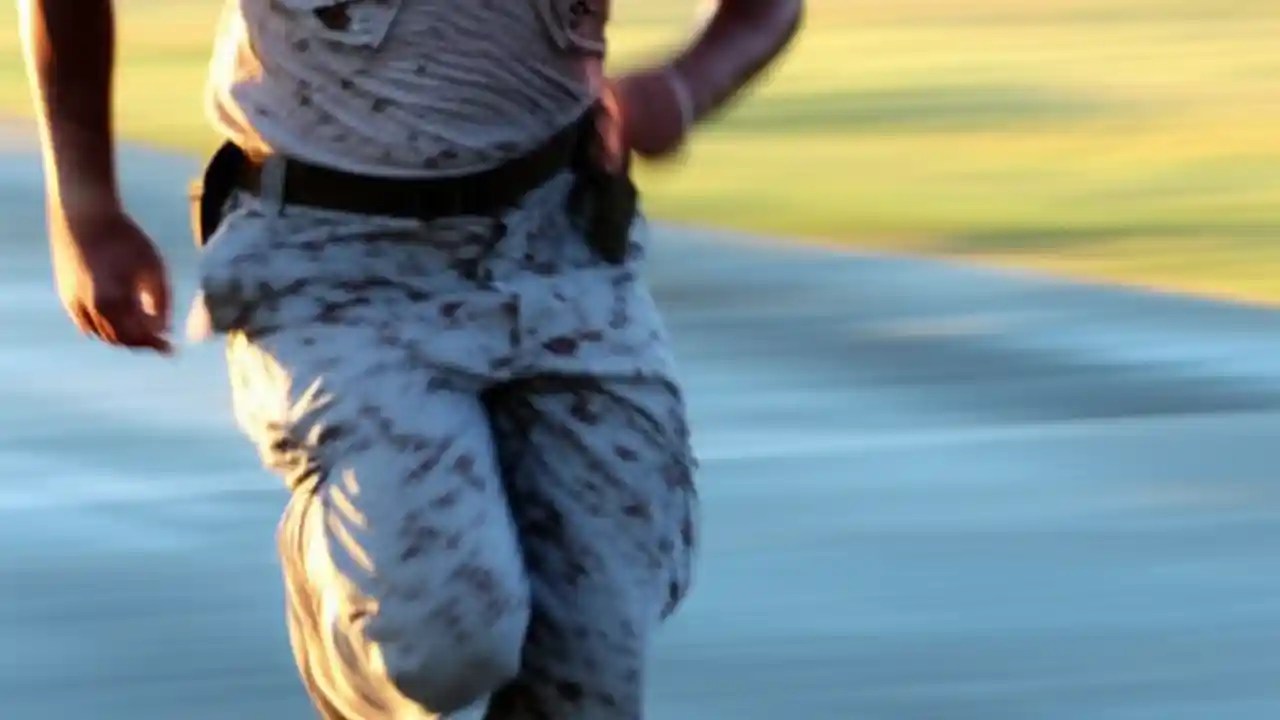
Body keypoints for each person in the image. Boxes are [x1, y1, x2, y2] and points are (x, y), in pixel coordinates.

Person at [19, 0, 803, 717]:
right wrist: (83, 206)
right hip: (332, 262)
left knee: (589, 669)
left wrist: (687, 85)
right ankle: (341, 583)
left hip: (559, 248)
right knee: (442, 639)